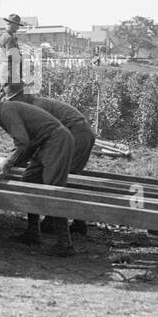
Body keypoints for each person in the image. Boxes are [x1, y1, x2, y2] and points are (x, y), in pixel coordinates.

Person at [0, 82, 75, 256]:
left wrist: (8, 163)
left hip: (57, 142)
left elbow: (23, 142)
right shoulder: (5, 112)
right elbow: (28, 143)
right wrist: (11, 162)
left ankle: (65, 244)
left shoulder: (7, 110)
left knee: (53, 190)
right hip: (45, 144)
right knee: (29, 181)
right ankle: (33, 233)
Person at [21, 91, 96, 236]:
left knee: (62, 178)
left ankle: (51, 222)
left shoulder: (37, 107)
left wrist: (17, 159)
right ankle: (79, 223)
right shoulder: (35, 105)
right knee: (70, 177)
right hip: (82, 133)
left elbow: (35, 141)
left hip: (76, 134)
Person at [0, 14, 25, 100]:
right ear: (11, 24)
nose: (18, 28)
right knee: (17, 98)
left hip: (5, 71)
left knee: (6, 95)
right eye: (17, 25)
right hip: (10, 72)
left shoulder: (4, 37)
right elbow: (12, 58)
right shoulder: (9, 38)